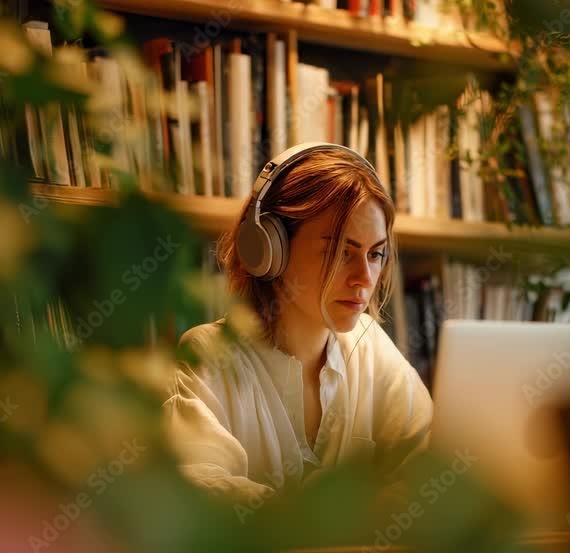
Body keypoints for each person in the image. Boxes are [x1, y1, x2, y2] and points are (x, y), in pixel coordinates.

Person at [164, 143, 433, 501]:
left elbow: (427, 477)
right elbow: (198, 487)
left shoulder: (373, 349)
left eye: (376, 254)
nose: (365, 278)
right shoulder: (210, 355)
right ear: (270, 250)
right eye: (341, 252)